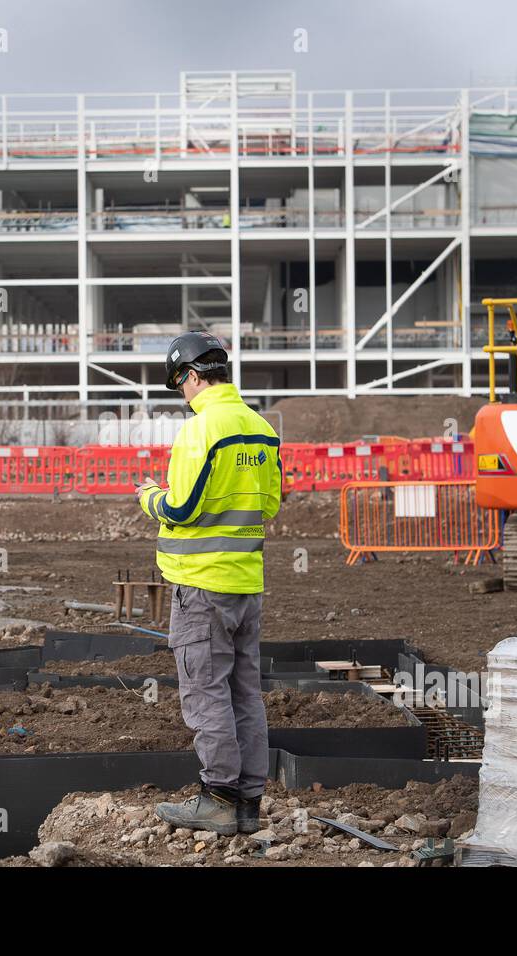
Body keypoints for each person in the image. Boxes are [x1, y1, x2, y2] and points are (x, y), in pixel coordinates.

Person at [135, 330, 283, 835]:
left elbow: (181, 508)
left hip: (201, 588)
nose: (183, 394)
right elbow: (269, 506)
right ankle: (247, 803)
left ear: (194, 376)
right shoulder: (262, 430)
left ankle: (217, 796)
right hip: (246, 583)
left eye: (182, 384)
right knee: (245, 692)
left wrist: (149, 496)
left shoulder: (200, 431)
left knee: (205, 692)